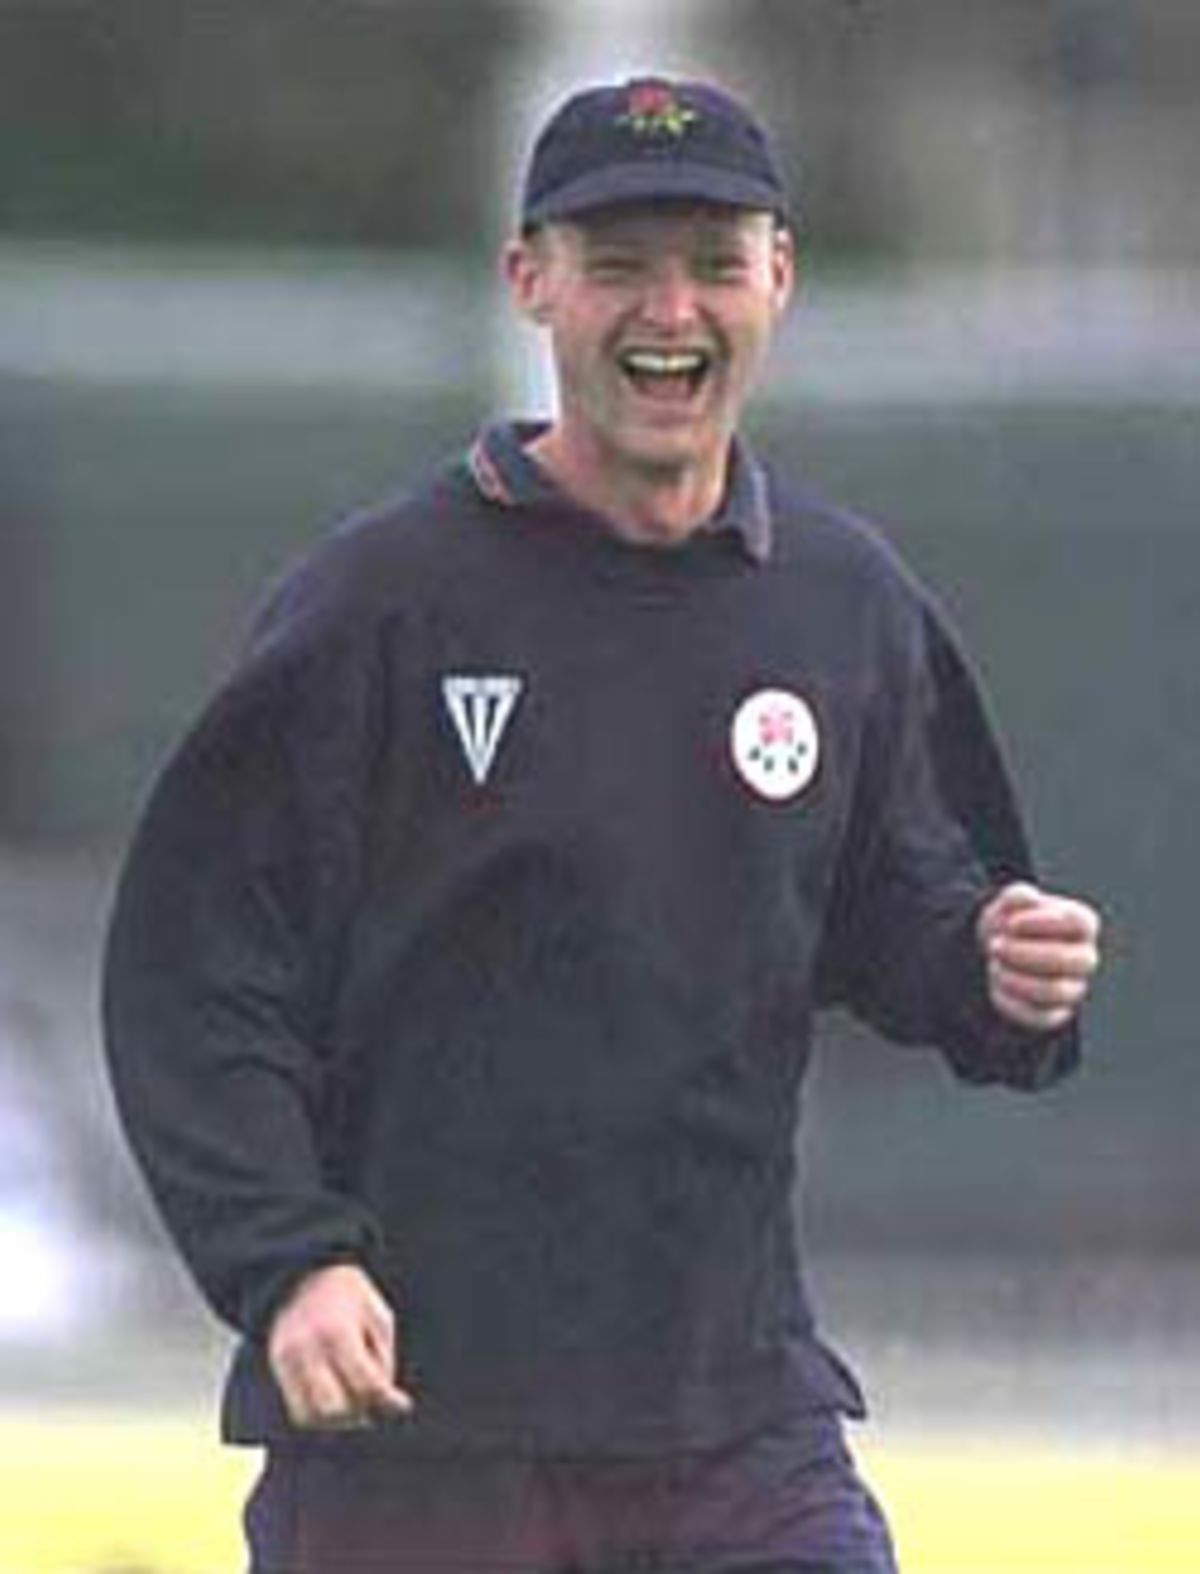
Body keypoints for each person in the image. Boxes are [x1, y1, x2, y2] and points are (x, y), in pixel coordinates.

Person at [103, 76, 1101, 1574]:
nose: (670, 310)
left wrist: (989, 961)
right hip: (417, 1436)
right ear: (533, 284)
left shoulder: (844, 599)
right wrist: (289, 1256)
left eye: (712, 261)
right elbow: (199, 965)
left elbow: (908, 910)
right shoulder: (382, 600)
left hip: (734, 1430)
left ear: (781, 279)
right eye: (620, 263)